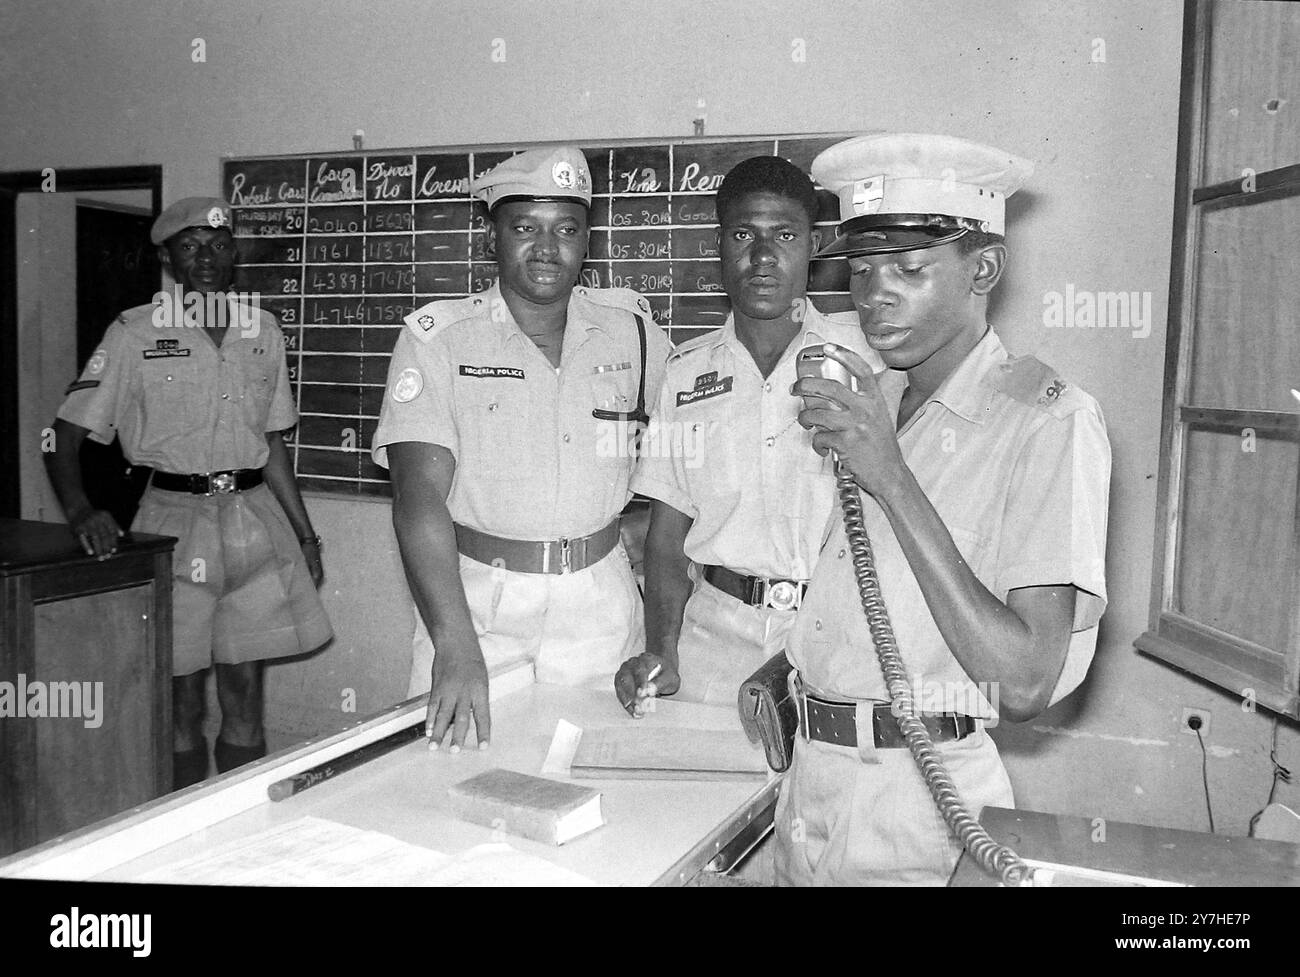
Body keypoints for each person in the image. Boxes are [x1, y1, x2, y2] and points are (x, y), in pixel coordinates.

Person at [777, 132, 1110, 885]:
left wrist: (891, 477)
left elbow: (1024, 681)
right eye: (860, 269)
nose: (872, 294)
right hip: (811, 779)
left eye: (908, 268)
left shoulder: (1048, 422)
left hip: (915, 804)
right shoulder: (880, 398)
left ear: (983, 268)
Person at [372, 146, 670, 752]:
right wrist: (455, 644)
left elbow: (678, 462)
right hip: (481, 608)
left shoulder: (635, 333)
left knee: (595, 785)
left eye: (566, 229)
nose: (546, 248)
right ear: (492, 238)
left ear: (589, 238)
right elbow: (418, 497)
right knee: (458, 785)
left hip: (602, 613)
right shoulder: (439, 340)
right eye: (524, 228)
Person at [46, 196, 333, 789]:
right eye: (191, 245)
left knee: (245, 688)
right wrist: (80, 511)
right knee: (181, 699)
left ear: (235, 254)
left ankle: (243, 826)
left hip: (254, 518)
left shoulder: (264, 329)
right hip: (173, 524)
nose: (207, 257)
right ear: (167, 256)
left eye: (220, 244)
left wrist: (305, 533)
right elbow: (61, 435)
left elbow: (273, 441)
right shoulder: (133, 332)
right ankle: (183, 823)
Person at [614, 155, 880, 714]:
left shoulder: (866, 363)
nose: (762, 256)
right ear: (719, 244)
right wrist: (662, 649)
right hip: (713, 637)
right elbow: (667, 534)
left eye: (784, 234)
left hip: (836, 631)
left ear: (814, 245)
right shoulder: (685, 372)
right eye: (743, 234)